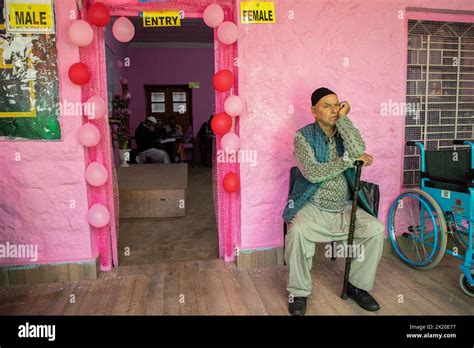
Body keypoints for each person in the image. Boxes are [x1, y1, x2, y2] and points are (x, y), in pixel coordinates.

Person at [282, 87, 385, 316]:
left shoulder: (343, 132)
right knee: (297, 232)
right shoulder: (303, 136)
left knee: (376, 230)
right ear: (314, 111)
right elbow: (313, 173)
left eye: (337, 105)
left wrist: (345, 119)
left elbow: (359, 149)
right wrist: (349, 160)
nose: (333, 110)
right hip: (313, 205)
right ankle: (298, 292)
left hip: (345, 207)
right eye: (326, 106)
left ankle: (356, 286)